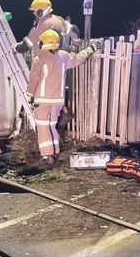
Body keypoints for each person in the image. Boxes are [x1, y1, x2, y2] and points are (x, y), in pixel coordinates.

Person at [27, 29, 94, 166]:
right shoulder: (63, 56)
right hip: (58, 100)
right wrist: (90, 49)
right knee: (51, 126)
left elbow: (33, 79)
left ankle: (47, 155)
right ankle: (54, 150)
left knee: (43, 127)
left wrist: (29, 95)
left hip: (42, 99)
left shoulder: (39, 59)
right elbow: (78, 59)